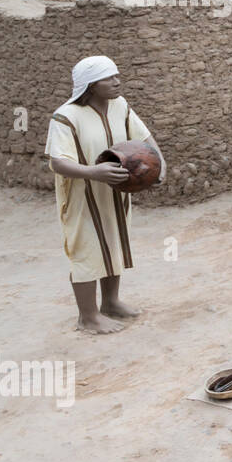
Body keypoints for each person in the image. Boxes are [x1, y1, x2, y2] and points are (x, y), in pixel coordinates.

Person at [45, 55, 166, 334]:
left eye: (116, 75)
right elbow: (57, 162)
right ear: (90, 84)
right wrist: (93, 172)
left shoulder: (120, 105)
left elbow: (144, 138)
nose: (117, 81)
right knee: (86, 249)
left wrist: (160, 166)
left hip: (116, 191)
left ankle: (111, 302)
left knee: (113, 242)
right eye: (108, 78)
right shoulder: (65, 116)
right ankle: (87, 316)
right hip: (82, 197)